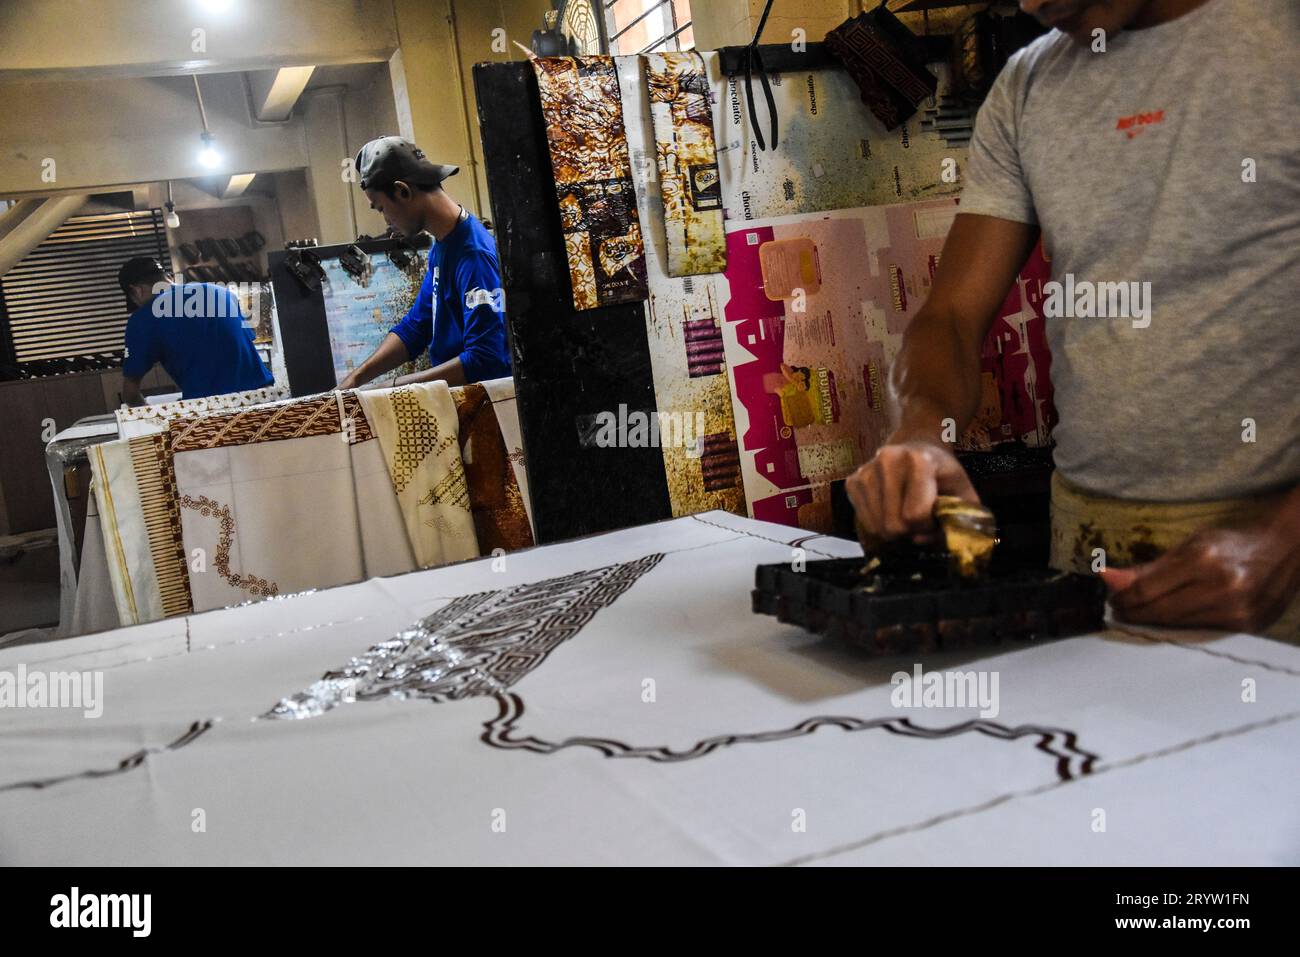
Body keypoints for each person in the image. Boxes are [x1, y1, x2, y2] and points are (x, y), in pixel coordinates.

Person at [847, 0, 1299, 639]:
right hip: (1087, 544)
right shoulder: (1028, 85)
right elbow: (949, 318)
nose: (1030, 3)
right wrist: (921, 433)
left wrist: (1284, 536)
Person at [337, 136, 511, 390]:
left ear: (402, 191)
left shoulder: (474, 255)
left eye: (380, 208)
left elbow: (485, 359)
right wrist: (356, 379)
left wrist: (390, 388)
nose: (385, 221)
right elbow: (416, 327)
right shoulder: (443, 245)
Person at [117, 257, 273, 404]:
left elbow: (130, 393)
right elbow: (245, 344)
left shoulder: (142, 318)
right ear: (168, 277)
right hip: (265, 397)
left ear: (136, 291)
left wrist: (146, 414)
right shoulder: (222, 293)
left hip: (212, 410)